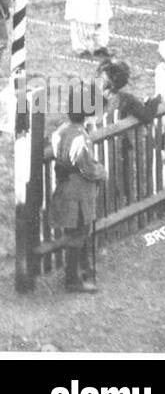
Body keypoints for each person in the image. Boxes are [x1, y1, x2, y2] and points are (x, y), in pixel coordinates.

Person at [49, 91, 108, 293]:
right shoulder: (81, 138)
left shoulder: (61, 131)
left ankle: (83, 269)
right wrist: (101, 172)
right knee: (79, 232)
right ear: (87, 114)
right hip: (78, 189)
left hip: (65, 185)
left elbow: (59, 152)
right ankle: (72, 280)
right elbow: (87, 167)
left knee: (74, 231)